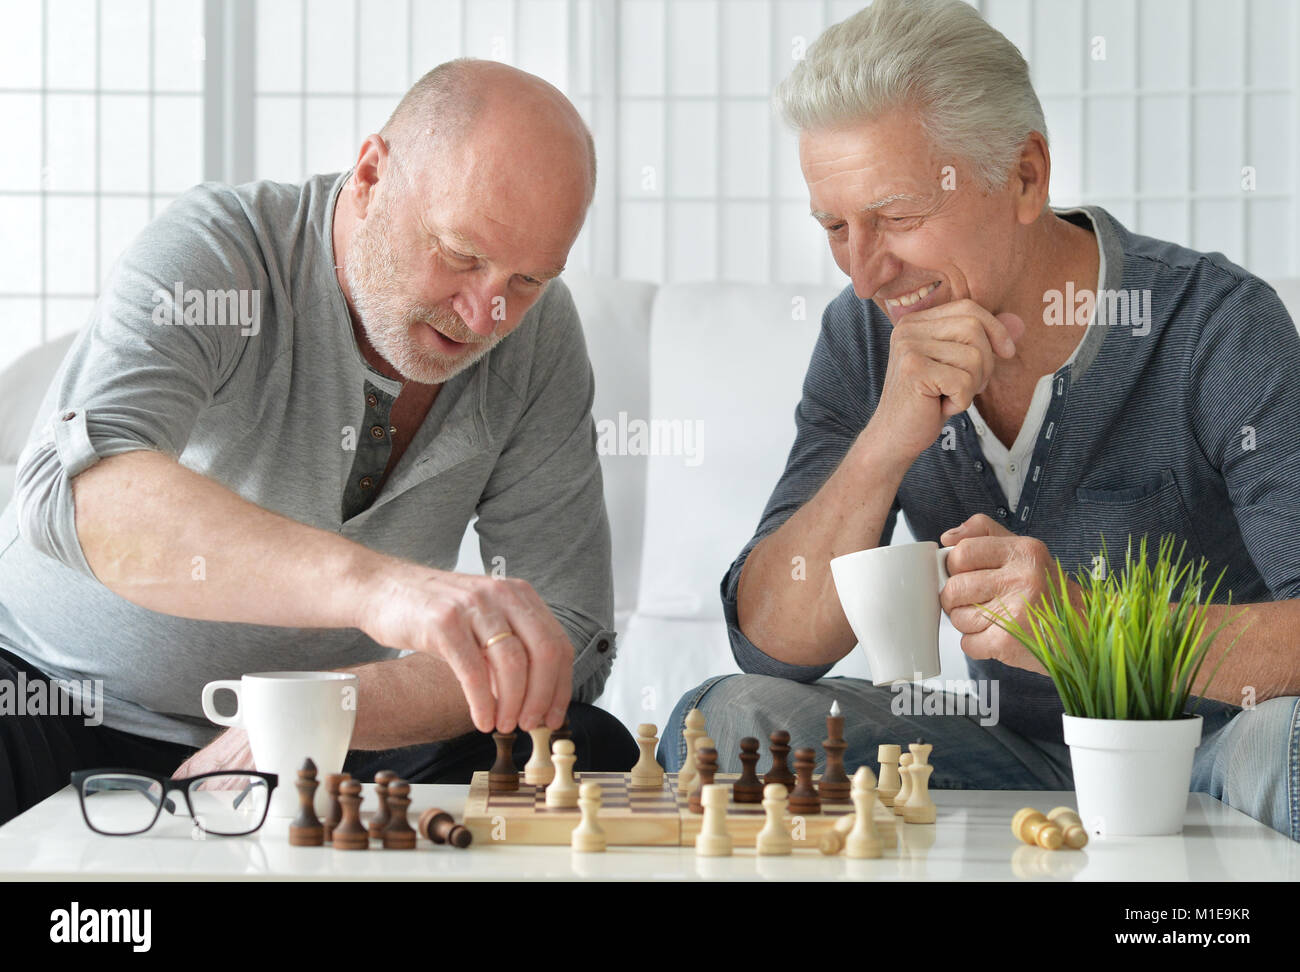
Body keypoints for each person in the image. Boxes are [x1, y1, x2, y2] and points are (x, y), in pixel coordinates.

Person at [661, 0, 1299, 841]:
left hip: (1211, 752)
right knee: (730, 720)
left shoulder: (1217, 326)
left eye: (896, 217)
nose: (865, 273)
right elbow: (775, 646)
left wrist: (1082, 629)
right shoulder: (863, 336)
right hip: (1006, 756)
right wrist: (885, 440)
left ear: (1025, 178)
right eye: (835, 229)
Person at [0, 59, 637, 826]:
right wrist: (378, 589)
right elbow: (79, 494)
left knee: (585, 748)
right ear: (371, 176)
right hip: (54, 701)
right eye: (460, 255)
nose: (486, 314)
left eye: (529, 279)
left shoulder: (538, 341)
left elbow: (564, 633)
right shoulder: (222, 253)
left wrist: (318, 711)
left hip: (310, 742)